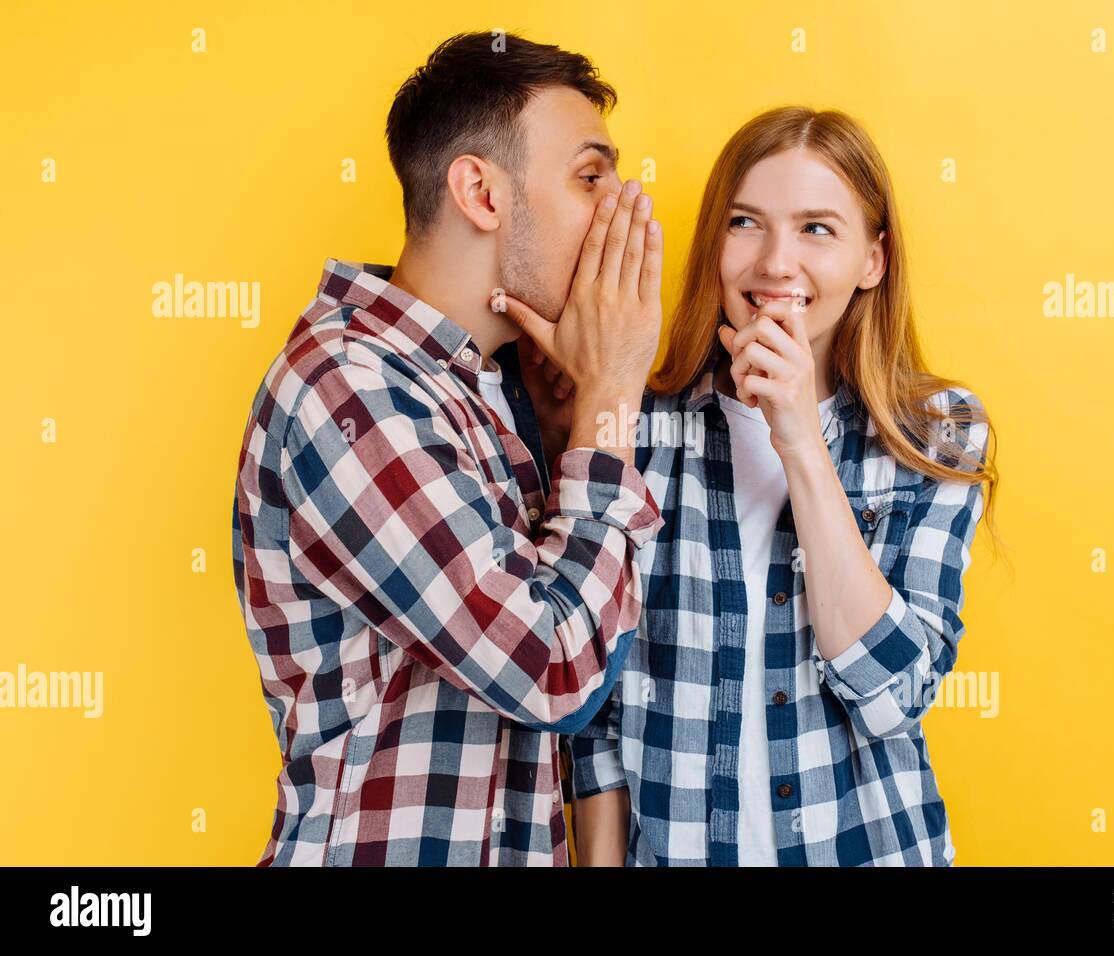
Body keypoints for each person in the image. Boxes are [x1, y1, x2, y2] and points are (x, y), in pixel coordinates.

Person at [231, 31, 664, 866]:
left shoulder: (486, 392)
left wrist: (570, 425)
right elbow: (551, 672)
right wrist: (613, 398)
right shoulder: (347, 392)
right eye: (590, 175)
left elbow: (590, 661)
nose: (625, 206)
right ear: (480, 192)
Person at [566, 106, 1000, 866]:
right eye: (745, 223)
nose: (774, 262)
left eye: (817, 229)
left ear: (874, 261)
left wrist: (799, 435)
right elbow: (596, 705)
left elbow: (893, 692)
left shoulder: (938, 433)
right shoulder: (636, 425)